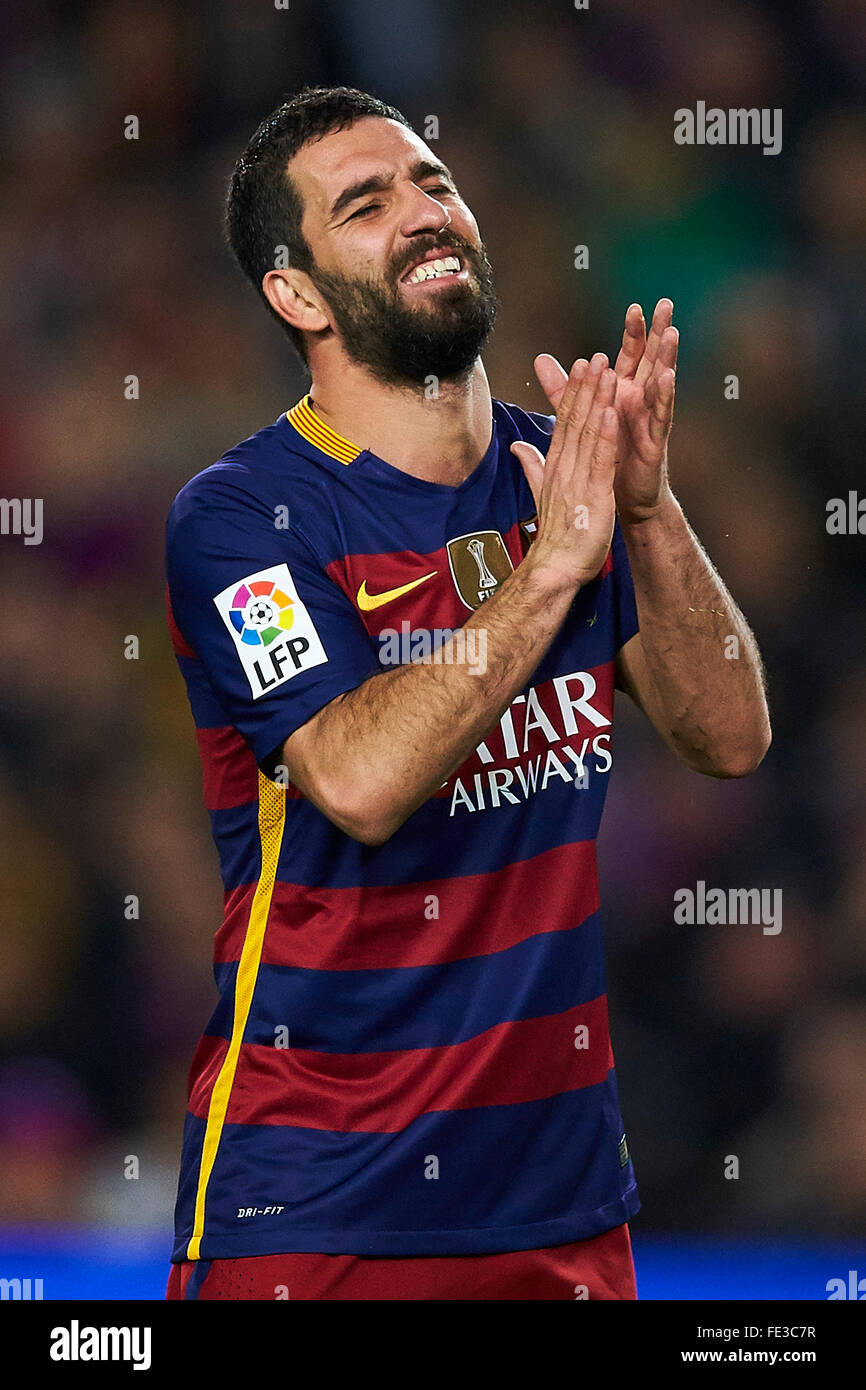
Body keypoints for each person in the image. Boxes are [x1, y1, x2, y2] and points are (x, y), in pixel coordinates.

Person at [164, 86, 771, 1301]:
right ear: (294, 293)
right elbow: (356, 777)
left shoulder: (571, 478)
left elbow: (729, 733)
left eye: (433, 182)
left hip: (558, 1198)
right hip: (315, 1201)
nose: (423, 214)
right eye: (365, 204)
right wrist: (554, 564)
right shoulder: (241, 518)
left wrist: (644, 513)